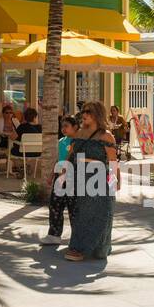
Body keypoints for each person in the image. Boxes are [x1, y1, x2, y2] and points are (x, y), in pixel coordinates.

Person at [63, 101, 118, 261]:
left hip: (99, 177)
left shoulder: (106, 135)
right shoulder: (79, 133)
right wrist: (62, 172)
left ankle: (99, 247)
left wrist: (115, 182)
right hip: (81, 177)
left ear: (97, 115)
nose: (84, 114)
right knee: (82, 214)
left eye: (88, 112)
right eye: (83, 111)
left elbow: (113, 160)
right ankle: (78, 247)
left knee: (102, 213)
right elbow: (71, 155)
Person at [43, 115, 79, 244]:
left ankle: (77, 236)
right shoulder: (61, 141)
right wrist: (52, 175)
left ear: (75, 127)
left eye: (66, 126)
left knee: (73, 207)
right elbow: (58, 159)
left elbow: (71, 159)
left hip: (72, 177)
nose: (63, 129)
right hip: (60, 177)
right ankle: (54, 235)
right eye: (62, 126)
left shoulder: (78, 141)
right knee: (55, 205)